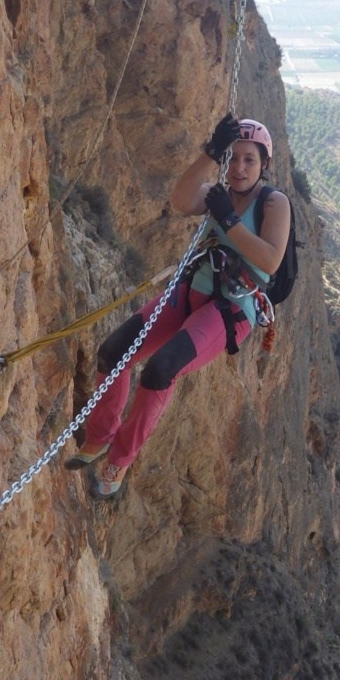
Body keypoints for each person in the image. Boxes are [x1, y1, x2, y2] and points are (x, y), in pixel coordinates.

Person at [66, 115, 291, 498]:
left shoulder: (273, 203)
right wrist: (211, 152)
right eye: (233, 158)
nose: (238, 167)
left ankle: (119, 461)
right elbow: (182, 198)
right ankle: (99, 437)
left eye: (249, 160)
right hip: (192, 290)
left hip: (231, 309)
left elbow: (270, 260)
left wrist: (229, 221)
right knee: (113, 353)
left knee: (160, 370)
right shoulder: (219, 192)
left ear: (263, 164)